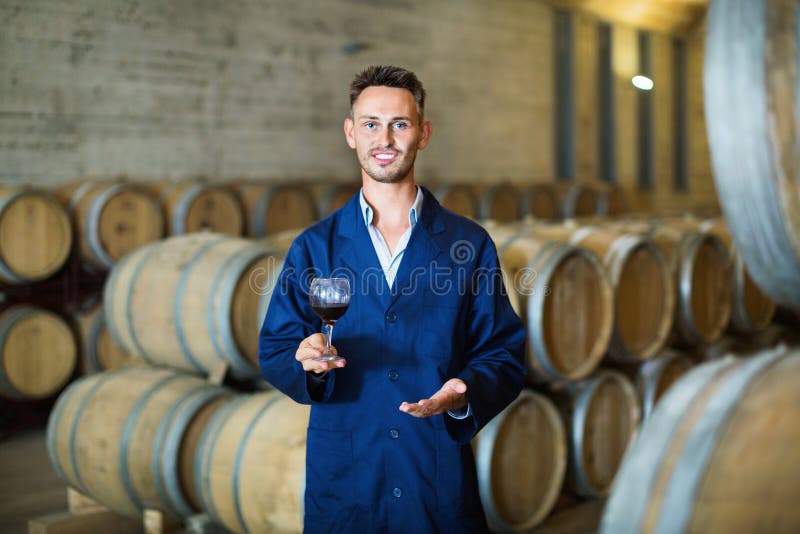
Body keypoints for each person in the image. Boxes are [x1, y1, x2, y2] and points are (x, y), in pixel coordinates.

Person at [259, 65, 526, 533]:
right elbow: (276, 349)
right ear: (350, 133)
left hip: (433, 473)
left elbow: (502, 352)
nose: (385, 138)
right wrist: (304, 363)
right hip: (346, 476)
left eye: (399, 124)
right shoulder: (314, 246)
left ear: (423, 134)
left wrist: (463, 395)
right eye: (370, 124)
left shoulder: (467, 244)